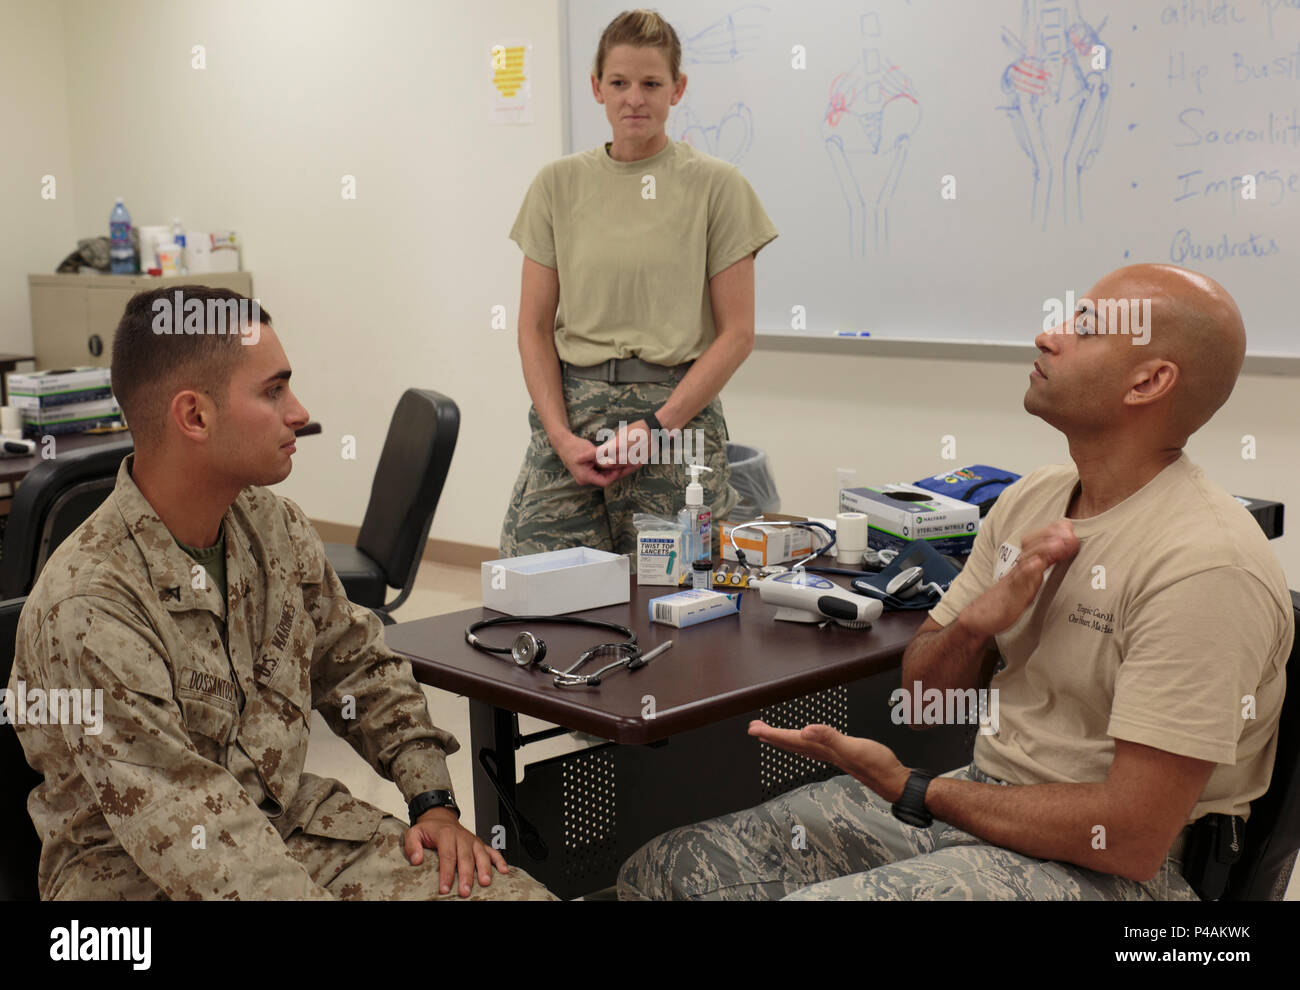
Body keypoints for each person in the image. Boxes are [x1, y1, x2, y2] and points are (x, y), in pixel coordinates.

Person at [618, 263, 1293, 901]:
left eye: (1083, 327)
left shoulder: (1205, 566)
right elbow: (927, 700)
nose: (1046, 336)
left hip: (1118, 875)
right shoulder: (1036, 497)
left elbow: (1131, 837)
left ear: (1147, 383)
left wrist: (916, 789)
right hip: (984, 799)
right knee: (662, 872)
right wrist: (976, 623)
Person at [9, 286, 555, 901]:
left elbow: (357, 667)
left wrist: (433, 803)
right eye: (273, 391)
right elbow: (192, 828)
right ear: (194, 416)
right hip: (144, 880)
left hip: (292, 829)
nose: (299, 412)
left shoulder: (272, 526)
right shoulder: (92, 604)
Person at [500, 8, 778, 557]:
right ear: (596, 87)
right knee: (539, 584)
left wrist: (655, 425)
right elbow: (533, 328)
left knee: (675, 595)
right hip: (573, 417)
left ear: (678, 89)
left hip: (675, 417)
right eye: (619, 82)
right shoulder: (557, 185)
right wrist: (559, 435)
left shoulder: (717, 187)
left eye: (651, 83)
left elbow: (737, 335)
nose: (634, 98)